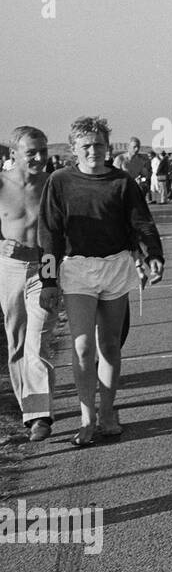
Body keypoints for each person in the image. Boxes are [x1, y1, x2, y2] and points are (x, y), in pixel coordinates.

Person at [38, 116, 164, 447]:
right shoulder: (59, 181)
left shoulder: (122, 182)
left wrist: (154, 256)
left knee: (109, 344)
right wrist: (48, 279)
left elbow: (143, 223)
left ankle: (107, 412)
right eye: (86, 145)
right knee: (82, 346)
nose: (93, 150)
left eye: (99, 144)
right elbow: (49, 233)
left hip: (116, 266)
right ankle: (86, 418)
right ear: (73, 149)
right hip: (77, 268)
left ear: (108, 147)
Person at [0, 127, 56, 441]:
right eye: (31, 152)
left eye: (43, 151)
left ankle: (39, 417)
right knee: (17, 342)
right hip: (9, 268)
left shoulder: (52, 185)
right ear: (14, 155)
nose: (39, 157)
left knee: (39, 340)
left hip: (44, 266)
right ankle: (28, 408)